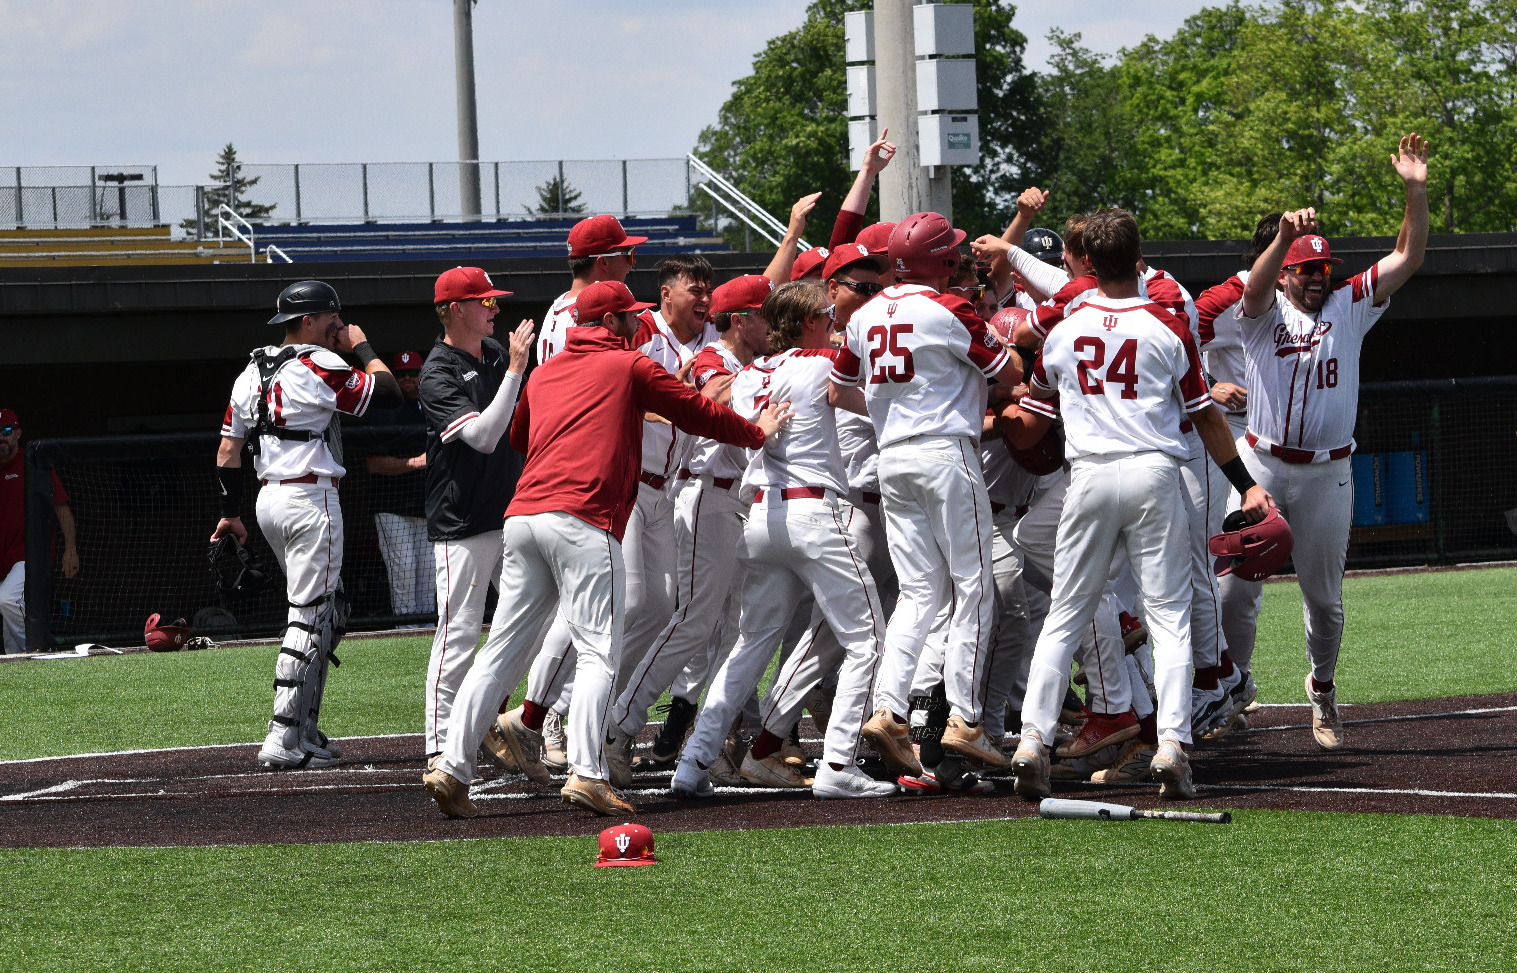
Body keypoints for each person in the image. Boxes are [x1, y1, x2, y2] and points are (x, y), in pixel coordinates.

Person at [421, 280, 791, 820]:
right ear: (614, 322)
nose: (636, 326)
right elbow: (697, 413)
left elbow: (521, 437)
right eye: (629, 318)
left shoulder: (545, 372)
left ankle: (452, 768)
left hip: (524, 516)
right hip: (585, 518)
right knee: (598, 651)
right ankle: (588, 773)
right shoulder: (630, 365)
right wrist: (757, 433)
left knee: (499, 650)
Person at [994, 209, 1272, 801]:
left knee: (1066, 615)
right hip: (1155, 471)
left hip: (1089, 475)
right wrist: (1245, 483)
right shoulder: (1165, 326)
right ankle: (1171, 744)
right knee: (1169, 617)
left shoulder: (1066, 329)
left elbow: (1029, 419)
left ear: (1086, 262)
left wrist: (982, 418)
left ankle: (1031, 740)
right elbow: (1205, 416)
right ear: (1137, 256)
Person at [1231, 134, 1430, 750]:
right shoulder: (1261, 312)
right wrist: (1283, 240)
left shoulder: (1349, 303)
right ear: (1286, 269)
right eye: (1305, 269)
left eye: (1323, 268)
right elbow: (1256, 290)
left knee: (1325, 599)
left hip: (1326, 473)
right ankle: (1233, 692)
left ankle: (1322, 689)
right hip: (1260, 466)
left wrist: (1414, 192)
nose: (1317, 278)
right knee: (1234, 588)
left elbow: (1408, 257)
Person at [671, 280, 895, 800]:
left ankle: (694, 760)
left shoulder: (749, 373)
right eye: (827, 314)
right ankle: (839, 763)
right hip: (815, 512)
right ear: (810, 321)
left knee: (752, 643)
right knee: (868, 639)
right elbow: (866, 392)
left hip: (763, 514)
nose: (834, 321)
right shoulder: (823, 362)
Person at [831, 211, 1024, 776]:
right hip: (945, 452)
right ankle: (965, 719)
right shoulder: (950, 307)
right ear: (941, 261)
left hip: (893, 456)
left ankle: (889, 709)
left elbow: (839, 392)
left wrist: (899, 409)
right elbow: (1009, 372)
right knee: (975, 586)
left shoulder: (866, 315)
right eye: (954, 254)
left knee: (919, 594)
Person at [211, 280, 402, 770]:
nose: (338, 323)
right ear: (310, 321)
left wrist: (231, 514)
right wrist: (360, 345)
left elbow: (228, 452)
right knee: (309, 613)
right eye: (332, 317)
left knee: (331, 609)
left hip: (267, 500)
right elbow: (389, 393)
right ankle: (281, 735)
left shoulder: (250, 370)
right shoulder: (321, 361)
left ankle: (305, 728)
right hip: (310, 497)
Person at [604, 274, 774, 784]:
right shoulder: (711, 360)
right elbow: (706, 394)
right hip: (705, 496)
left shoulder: (746, 364)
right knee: (692, 621)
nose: (776, 324)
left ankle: (709, 739)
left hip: (735, 501)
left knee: (731, 630)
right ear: (741, 320)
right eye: (766, 314)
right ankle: (618, 727)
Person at [416, 267, 535, 766]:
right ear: (456, 309)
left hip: (509, 512)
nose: (495, 310)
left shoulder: (491, 354)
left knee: (530, 620)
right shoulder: (437, 371)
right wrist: (515, 369)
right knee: (459, 632)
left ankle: (488, 717)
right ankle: (441, 744)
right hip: (461, 521)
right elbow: (484, 438)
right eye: (485, 303)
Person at [0, 408, 79, 654]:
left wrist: (71, 549)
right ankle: (20, 665)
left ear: (18, 434)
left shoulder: (33, 463)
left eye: (6, 431)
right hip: (2, 559)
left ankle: (37, 653)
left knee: (7, 599)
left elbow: (61, 508)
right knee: (8, 618)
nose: (1, 437)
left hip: (29, 557)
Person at [364, 350, 432, 620]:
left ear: (422, 373)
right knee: (403, 570)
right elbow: (373, 463)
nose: (407, 378)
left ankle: (426, 635)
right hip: (391, 507)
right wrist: (416, 462)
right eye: (401, 373)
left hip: (427, 506)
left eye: (413, 372)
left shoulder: (433, 404)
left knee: (430, 576)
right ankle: (405, 632)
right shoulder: (385, 409)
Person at [537, 215, 647, 366]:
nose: (632, 264)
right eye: (629, 255)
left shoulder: (555, 309)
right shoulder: (591, 314)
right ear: (603, 262)